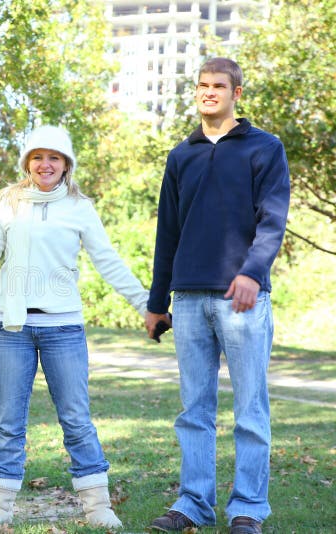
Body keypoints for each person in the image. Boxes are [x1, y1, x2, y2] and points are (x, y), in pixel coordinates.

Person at [0, 125, 148, 528]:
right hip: (12, 330)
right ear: (27, 162)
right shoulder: (10, 204)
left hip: (64, 329)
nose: (45, 164)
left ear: (66, 165)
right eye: (38, 157)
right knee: (9, 421)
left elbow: (108, 261)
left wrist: (147, 306)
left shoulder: (80, 207)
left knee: (76, 418)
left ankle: (98, 507)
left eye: (55, 158)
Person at [145, 58, 290, 534]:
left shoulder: (265, 148)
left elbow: (272, 220)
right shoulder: (180, 155)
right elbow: (168, 232)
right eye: (203, 86)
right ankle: (193, 504)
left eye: (219, 86)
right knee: (194, 410)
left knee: (250, 408)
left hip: (241, 298)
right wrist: (155, 301)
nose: (209, 93)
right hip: (186, 299)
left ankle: (249, 508)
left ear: (237, 93)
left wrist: (252, 273)